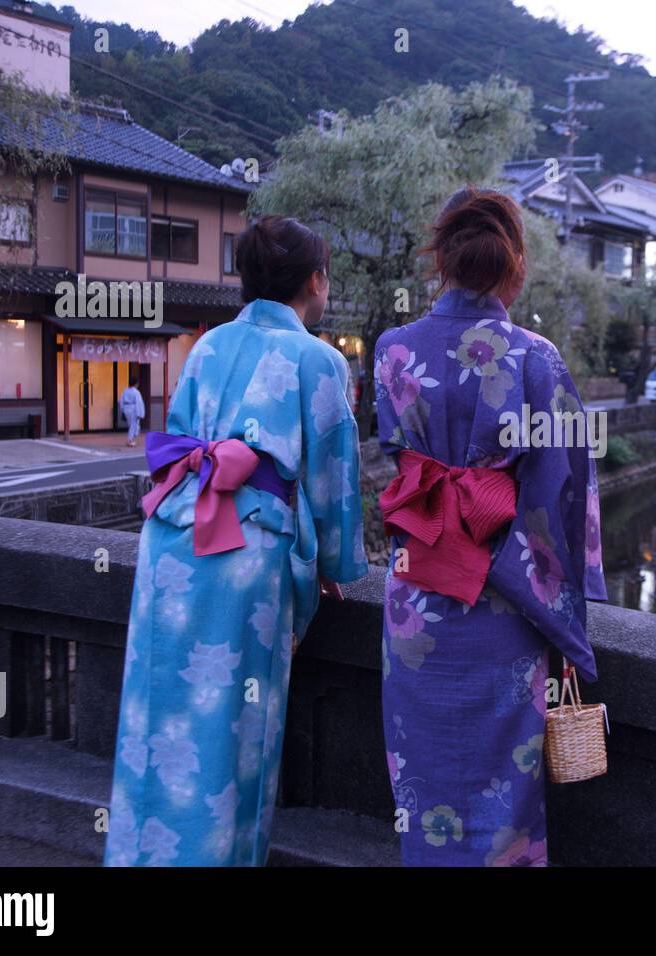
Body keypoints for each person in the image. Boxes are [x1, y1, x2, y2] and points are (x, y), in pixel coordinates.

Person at [103, 215, 368, 866]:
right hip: (246, 554)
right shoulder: (321, 360)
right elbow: (335, 478)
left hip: (171, 539)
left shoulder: (208, 346)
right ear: (316, 280)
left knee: (158, 708)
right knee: (230, 726)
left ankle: (143, 855)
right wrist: (334, 563)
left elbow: (177, 444)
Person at [373, 186, 606, 866]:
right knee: (506, 797)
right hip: (505, 606)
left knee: (423, 785)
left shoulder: (391, 350)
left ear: (440, 259)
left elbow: (402, 467)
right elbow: (562, 496)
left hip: (416, 600)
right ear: (516, 263)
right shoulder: (537, 358)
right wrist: (569, 614)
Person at [120, 376, 146, 447]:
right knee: (133, 425)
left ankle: (131, 439)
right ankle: (130, 440)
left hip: (126, 408)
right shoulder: (136, 392)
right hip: (133, 409)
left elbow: (121, 401)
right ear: (136, 384)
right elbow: (139, 402)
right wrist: (140, 413)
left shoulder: (125, 391)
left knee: (131, 424)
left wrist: (122, 410)